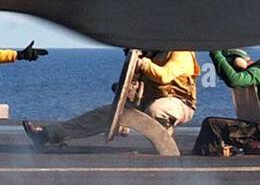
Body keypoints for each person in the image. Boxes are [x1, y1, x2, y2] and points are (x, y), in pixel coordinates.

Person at [22, 50, 199, 147]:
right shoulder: (152, 53)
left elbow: (164, 76)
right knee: (103, 114)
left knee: (157, 110)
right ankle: (48, 134)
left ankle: (162, 145)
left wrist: (141, 62)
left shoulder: (180, 52)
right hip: (146, 103)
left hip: (178, 104)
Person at [192, 49, 260, 155]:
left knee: (213, 125)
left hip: (257, 130)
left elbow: (235, 80)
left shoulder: (257, 70)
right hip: (255, 128)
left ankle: (203, 163)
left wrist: (216, 53)